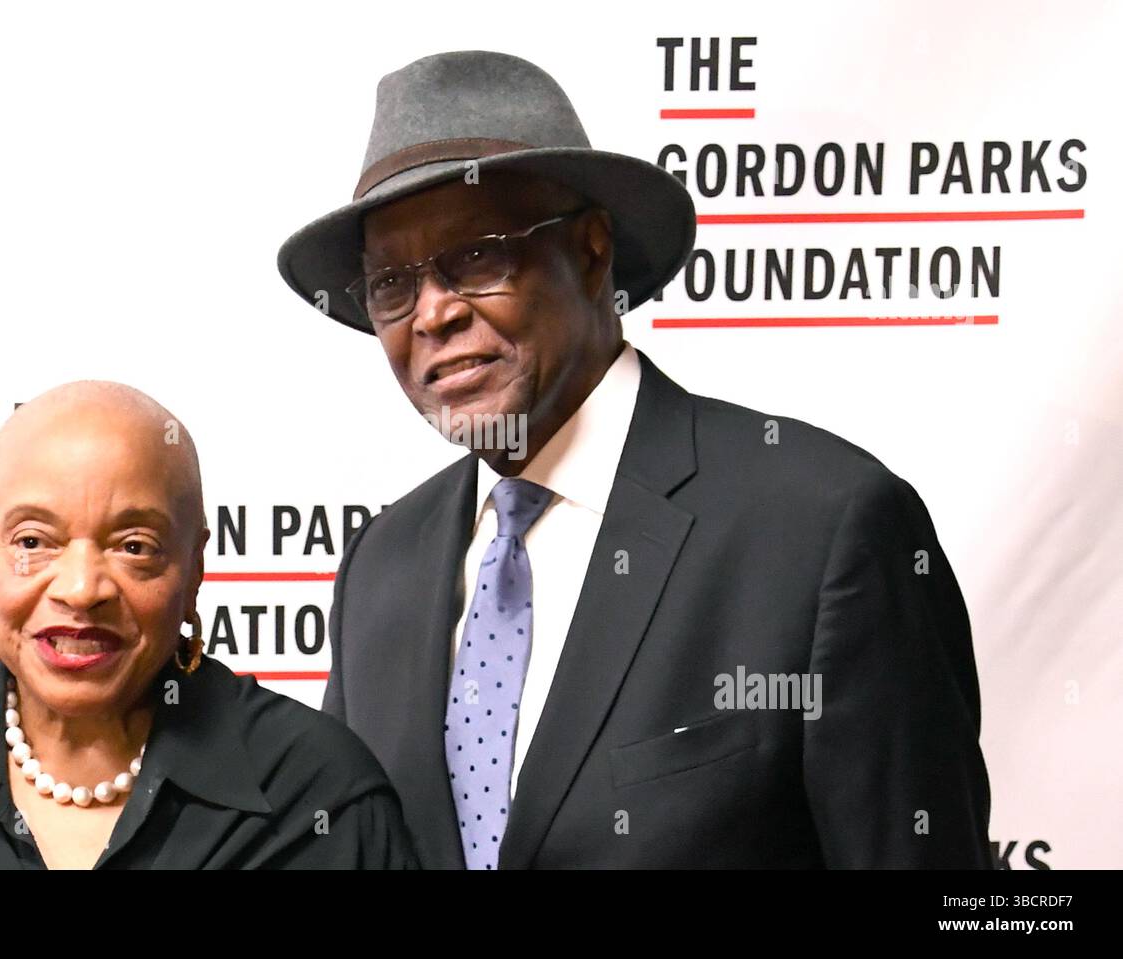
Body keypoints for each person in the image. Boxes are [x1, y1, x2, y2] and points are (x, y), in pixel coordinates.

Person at [275, 50, 993, 868]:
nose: (434, 312)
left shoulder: (825, 529)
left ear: (591, 249)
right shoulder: (381, 567)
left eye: (477, 256)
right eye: (392, 284)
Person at [0, 381, 416, 869]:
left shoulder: (319, 798)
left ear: (194, 569)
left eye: (135, 546)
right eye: (33, 541)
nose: (82, 589)